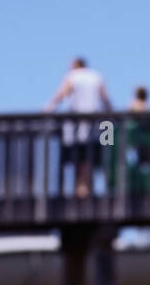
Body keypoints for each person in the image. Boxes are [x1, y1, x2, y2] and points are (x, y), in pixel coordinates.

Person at [45, 57, 112, 197]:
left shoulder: (73, 76)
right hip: (96, 123)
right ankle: (88, 188)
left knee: (77, 158)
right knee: (91, 158)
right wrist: (110, 114)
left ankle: (81, 189)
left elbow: (62, 93)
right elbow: (104, 97)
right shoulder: (96, 76)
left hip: (76, 125)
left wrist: (49, 107)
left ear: (75, 66)